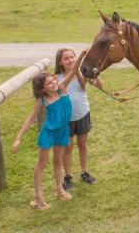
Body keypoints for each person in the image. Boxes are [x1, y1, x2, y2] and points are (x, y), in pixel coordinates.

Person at [12, 51, 85, 210]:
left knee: (58, 161)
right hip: (48, 133)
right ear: (42, 89)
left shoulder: (62, 89)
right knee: (42, 163)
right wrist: (18, 137)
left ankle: (59, 189)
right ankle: (38, 197)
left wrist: (81, 56)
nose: (54, 83)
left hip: (62, 131)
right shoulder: (42, 100)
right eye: (49, 83)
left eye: (53, 80)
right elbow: (31, 118)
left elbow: (73, 70)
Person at [54, 47, 102, 191]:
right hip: (66, 118)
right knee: (67, 148)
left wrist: (95, 74)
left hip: (82, 114)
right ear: (60, 62)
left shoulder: (82, 74)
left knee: (82, 144)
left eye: (72, 57)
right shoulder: (56, 78)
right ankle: (68, 176)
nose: (70, 60)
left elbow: (99, 85)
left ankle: (84, 172)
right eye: (66, 58)